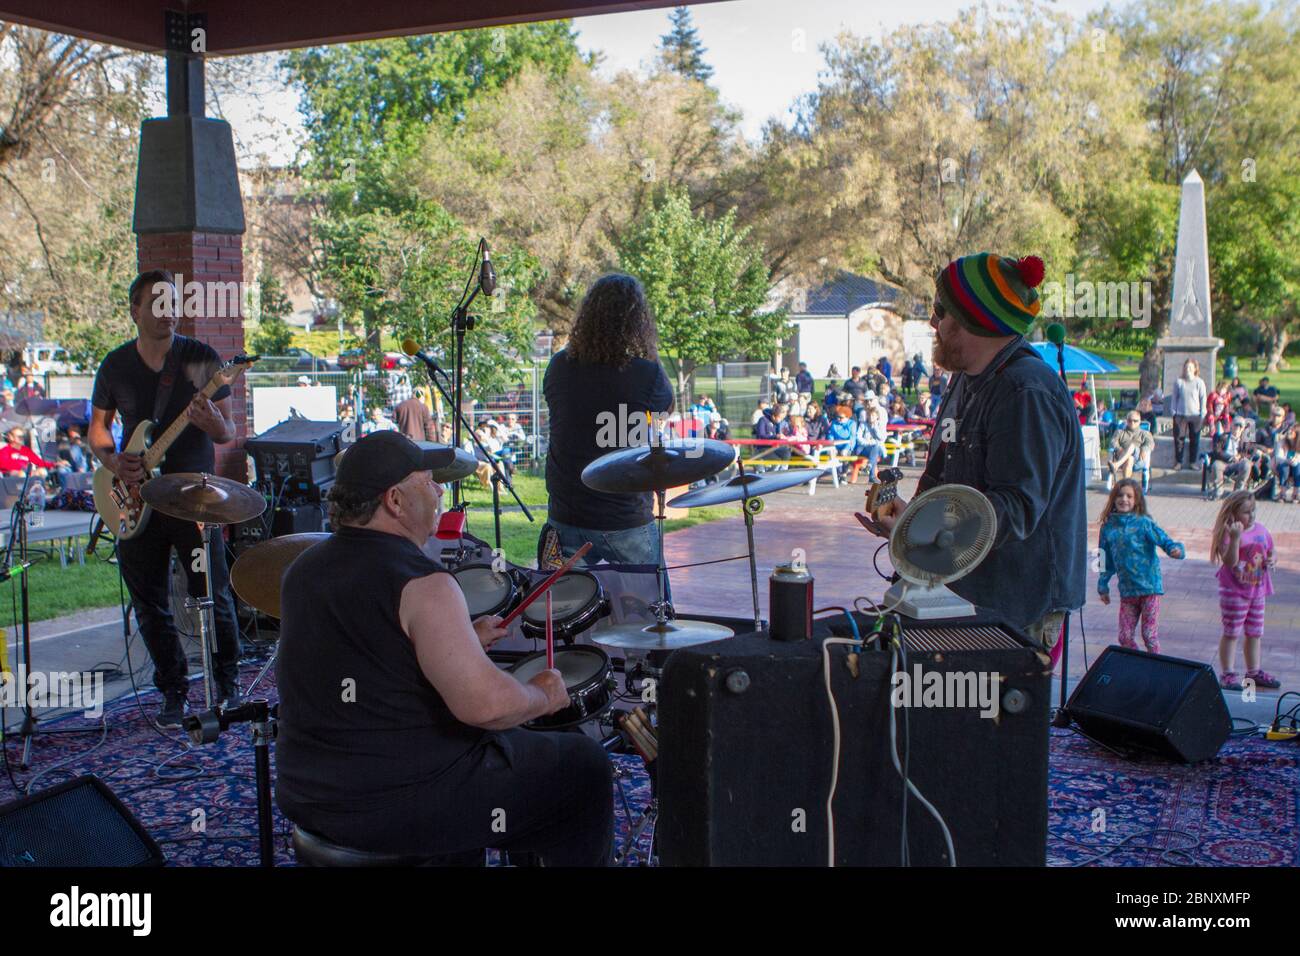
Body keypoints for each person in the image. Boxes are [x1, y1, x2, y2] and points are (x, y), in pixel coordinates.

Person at [275, 431, 613, 865]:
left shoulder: (303, 568)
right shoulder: (424, 582)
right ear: (395, 500)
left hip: (310, 792)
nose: (438, 490)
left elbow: (367, 654)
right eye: (427, 481)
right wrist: (543, 694)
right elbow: (486, 707)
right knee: (581, 765)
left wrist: (460, 637)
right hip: (401, 804)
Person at [866, 252, 1085, 650]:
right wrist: (910, 518)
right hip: (967, 595)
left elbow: (1016, 508)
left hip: (1012, 608)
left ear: (977, 319)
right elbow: (945, 478)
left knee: (983, 713)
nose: (933, 322)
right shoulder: (969, 378)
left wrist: (927, 533)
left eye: (940, 310)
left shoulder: (1025, 391)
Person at [87, 269, 241, 727]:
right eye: (156, 303)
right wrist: (114, 462)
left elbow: (228, 431)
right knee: (148, 600)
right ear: (135, 310)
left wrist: (211, 421)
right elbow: (98, 431)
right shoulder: (115, 366)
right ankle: (173, 688)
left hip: (195, 497)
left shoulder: (201, 359)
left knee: (210, 592)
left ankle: (226, 683)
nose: (167, 311)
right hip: (137, 499)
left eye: (173, 302)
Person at [543, 274, 673, 565]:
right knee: (648, 608)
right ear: (638, 322)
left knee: (565, 608)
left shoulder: (558, 368)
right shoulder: (645, 373)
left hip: (566, 512)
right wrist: (650, 353)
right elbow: (666, 408)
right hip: (623, 516)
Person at [1096, 478, 1184, 655]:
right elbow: (1103, 558)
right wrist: (1102, 584)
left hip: (1150, 589)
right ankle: (1137, 665)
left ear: (1136, 500)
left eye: (1129, 496)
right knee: (1125, 637)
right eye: (1120, 495)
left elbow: (1164, 540)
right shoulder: (1108, 528)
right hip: (1128, 591)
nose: (1124, 499)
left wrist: (1175, 549)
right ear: (1113, 498)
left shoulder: (1144, 523)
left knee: (1149, 635)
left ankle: (1155, 667)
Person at [1210, 490, 1279, 690]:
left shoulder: (1261, 530)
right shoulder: (1229, 533)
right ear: (1232, 514)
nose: (1253, 516)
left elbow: (1272, 550)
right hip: (1234, 591)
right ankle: (1228, 673)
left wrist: (1272, 559)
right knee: (1232, 632)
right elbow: (1230, 561)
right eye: (1247, 512)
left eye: (1254, 510)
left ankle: (1254, 671)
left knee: (1255, 632)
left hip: (1257, 590)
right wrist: (1235, 538)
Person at [1170, 358, 1207, 469]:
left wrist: (1202, 411)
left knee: (1194, 439)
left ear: (1195, 369)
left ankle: (1192, 462)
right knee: (1179, 439)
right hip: (1180, 415)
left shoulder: (1199, 382)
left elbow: (1202, 398)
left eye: (1190, 367)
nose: (1188, 369)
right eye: (1186, 367)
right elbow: (1174, 397)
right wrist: (1173, 411)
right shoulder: (1179, 382)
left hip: (1195, 415)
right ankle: (1179, 462)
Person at [1107, 412, 1154, 490]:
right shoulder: (1120, 432)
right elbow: (1113, 443)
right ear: (1126, 421)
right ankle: (1126, 485)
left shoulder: (1145, 433)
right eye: (1130, 420)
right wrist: (1119, 448)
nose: (1132, 423)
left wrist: (1144, 449)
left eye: (1135, 421)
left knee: (1132, 446)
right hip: (1122, 458)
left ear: (1139, 421)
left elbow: (1151, 444)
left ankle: (1116, 465)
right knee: (1129, 458)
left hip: (1138, 460)